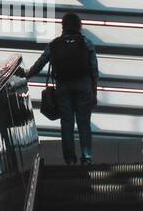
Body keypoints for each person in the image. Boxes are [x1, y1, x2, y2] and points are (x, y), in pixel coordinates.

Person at [24, 12, 98, 165]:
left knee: (67, 123)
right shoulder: (86, 43)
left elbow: (40, 63)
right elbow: (94, 70)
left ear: (63, 26)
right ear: (79, 26)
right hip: (84, 86)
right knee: (84, 123)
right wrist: (94, 93)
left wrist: (26, 76)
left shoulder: (54, 44)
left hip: (63, 86)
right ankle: (87, 157)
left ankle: (70, 160)